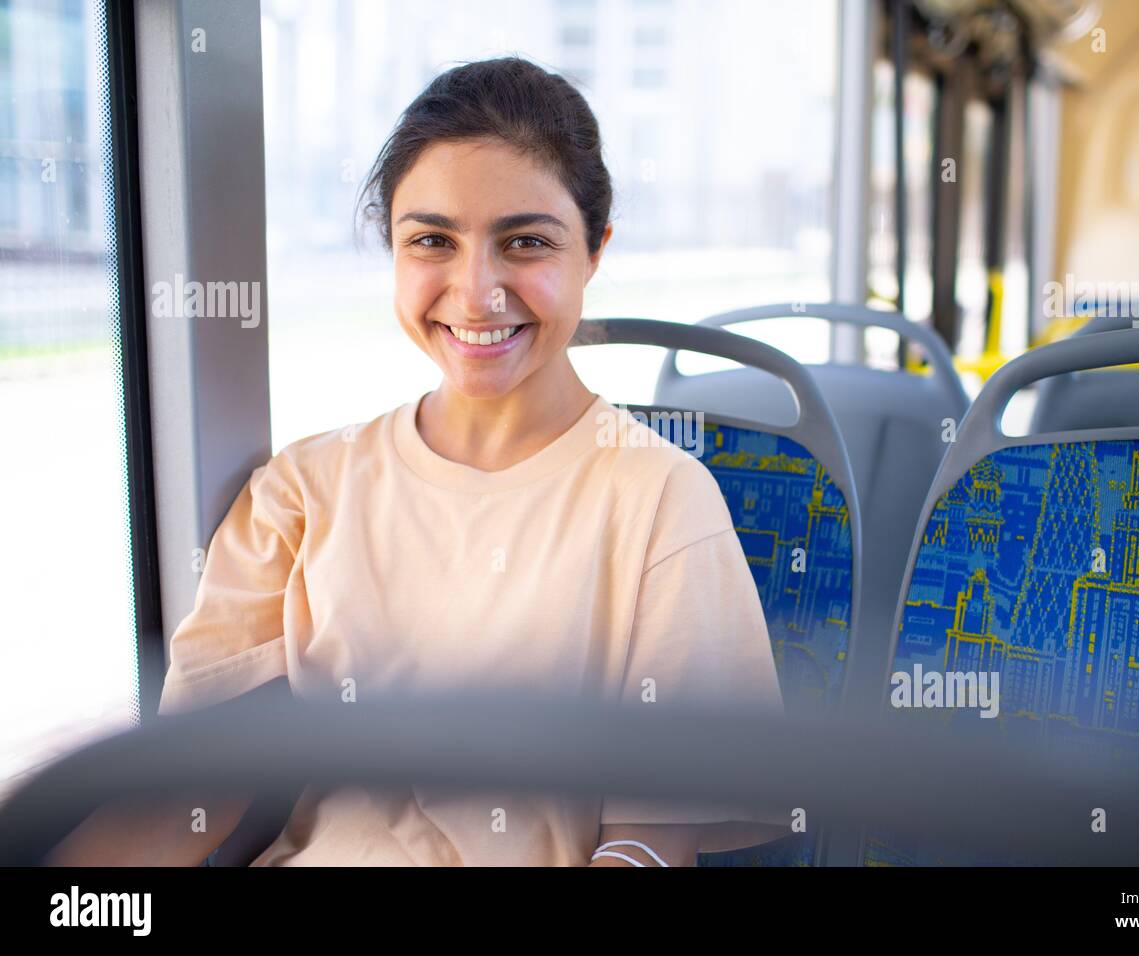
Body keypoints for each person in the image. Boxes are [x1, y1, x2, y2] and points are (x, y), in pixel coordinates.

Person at [48, 56, 787, 867]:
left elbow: (651, 842)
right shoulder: (303, 491)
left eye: (527, 242)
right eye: (432, 240)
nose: (476, 293)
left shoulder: (660, 499)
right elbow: (188, 797)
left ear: (595, 252)